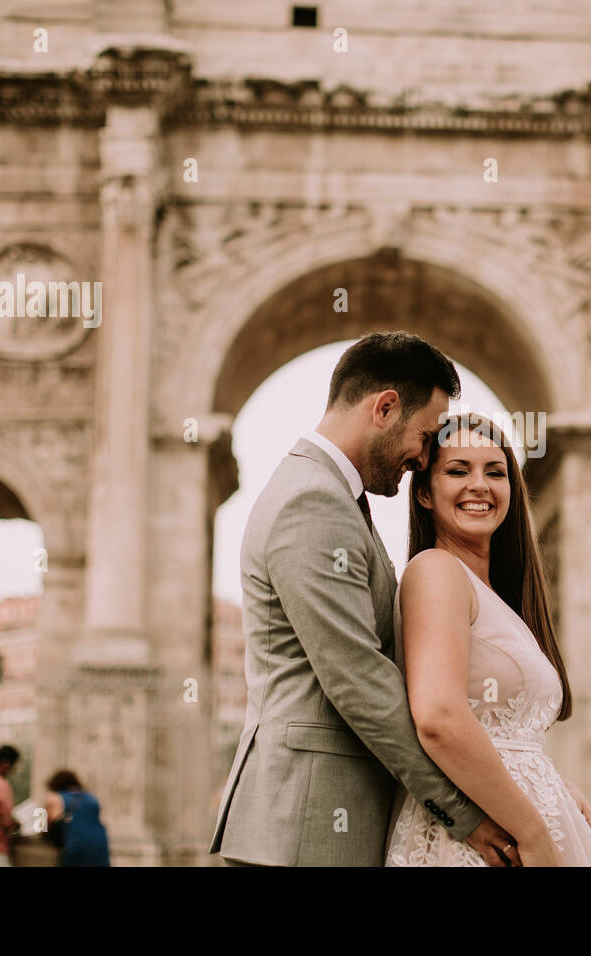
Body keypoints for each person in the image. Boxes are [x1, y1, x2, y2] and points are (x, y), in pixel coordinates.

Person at [209, 331, 518, 866]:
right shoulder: (314, 501)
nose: (424, 458)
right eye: (426, 436)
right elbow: (358, 678)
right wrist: (463, 813)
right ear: (385, 408)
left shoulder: (331, 495)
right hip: (306, 825)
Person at [385, 412, 591, 866]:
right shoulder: (436, 570)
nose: (479, 485)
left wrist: (553, 788)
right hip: (483, 840)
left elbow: (504, 739)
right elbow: (439, 719)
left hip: (519, 821)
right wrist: (534, 833)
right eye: (458, 471)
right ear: (424, 493)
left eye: (495, 472)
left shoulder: (500, 600)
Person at [43, 770, 111, 867]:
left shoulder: (55, 798)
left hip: (76, 850)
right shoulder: (92, 798)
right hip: (101, 849)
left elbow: (43, 827)